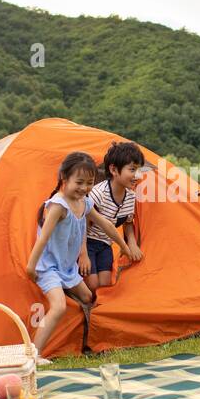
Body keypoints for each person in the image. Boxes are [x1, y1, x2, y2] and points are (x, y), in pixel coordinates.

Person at [26, 152, 126, 361]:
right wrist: (31, 267)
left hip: (67, 267)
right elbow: (43, 238)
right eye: (79, 182)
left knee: (88, 297)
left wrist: (123, 245)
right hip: (48, 267)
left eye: (89, 183)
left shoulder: (84, 202)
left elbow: (105, 224)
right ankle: (33, 355)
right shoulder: (58, 206)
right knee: (59, 306)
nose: (84, 188)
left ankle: (84, 337)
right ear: (64, 178)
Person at [83, 141, 146, 291]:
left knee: (105, 285)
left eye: (138, 170)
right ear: (113, 169)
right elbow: (81, 221)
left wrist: (131, 242)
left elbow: (128, 222)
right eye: (132, 169)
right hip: (87, 242)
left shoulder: (130, 196)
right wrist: (82, 252)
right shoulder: (98, 194)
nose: (137, 176)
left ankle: (97, 310)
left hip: (105, 245)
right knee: (92, 284)